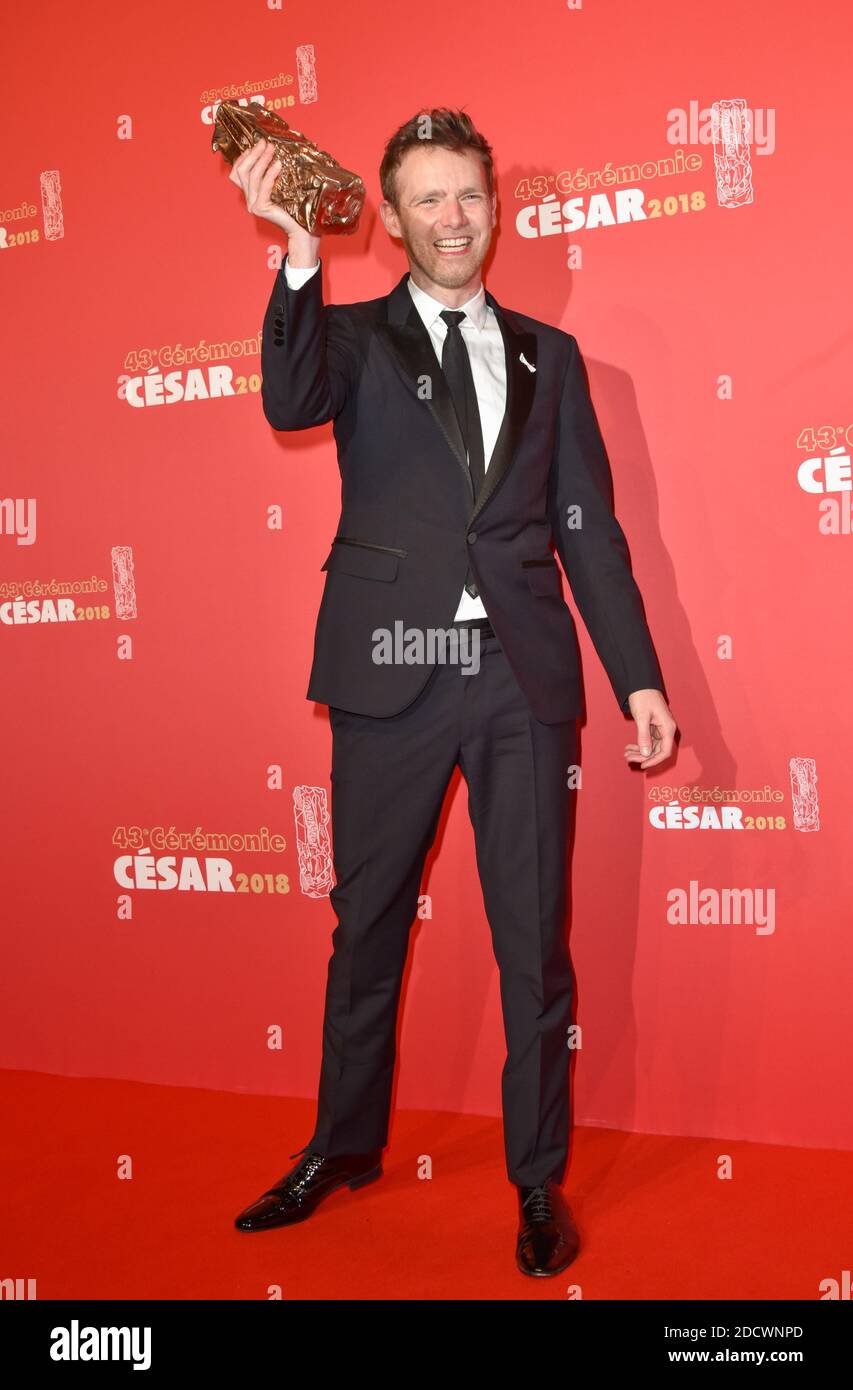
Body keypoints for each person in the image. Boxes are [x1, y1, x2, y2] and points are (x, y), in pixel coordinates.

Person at [229, 108, 677, 1277]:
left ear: (494, 205)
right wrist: (295, 253)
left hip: (520, 683)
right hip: (388, 675)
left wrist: (635, 675)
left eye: (467, 195)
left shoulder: (551, 356)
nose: (451, 218)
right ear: (390, 216)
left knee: (535, 943)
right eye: (426, 199)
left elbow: (590, 530)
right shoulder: (353, 337)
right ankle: (342, 1146)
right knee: (364, 926)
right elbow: (286, 401)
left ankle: (536, 1181)